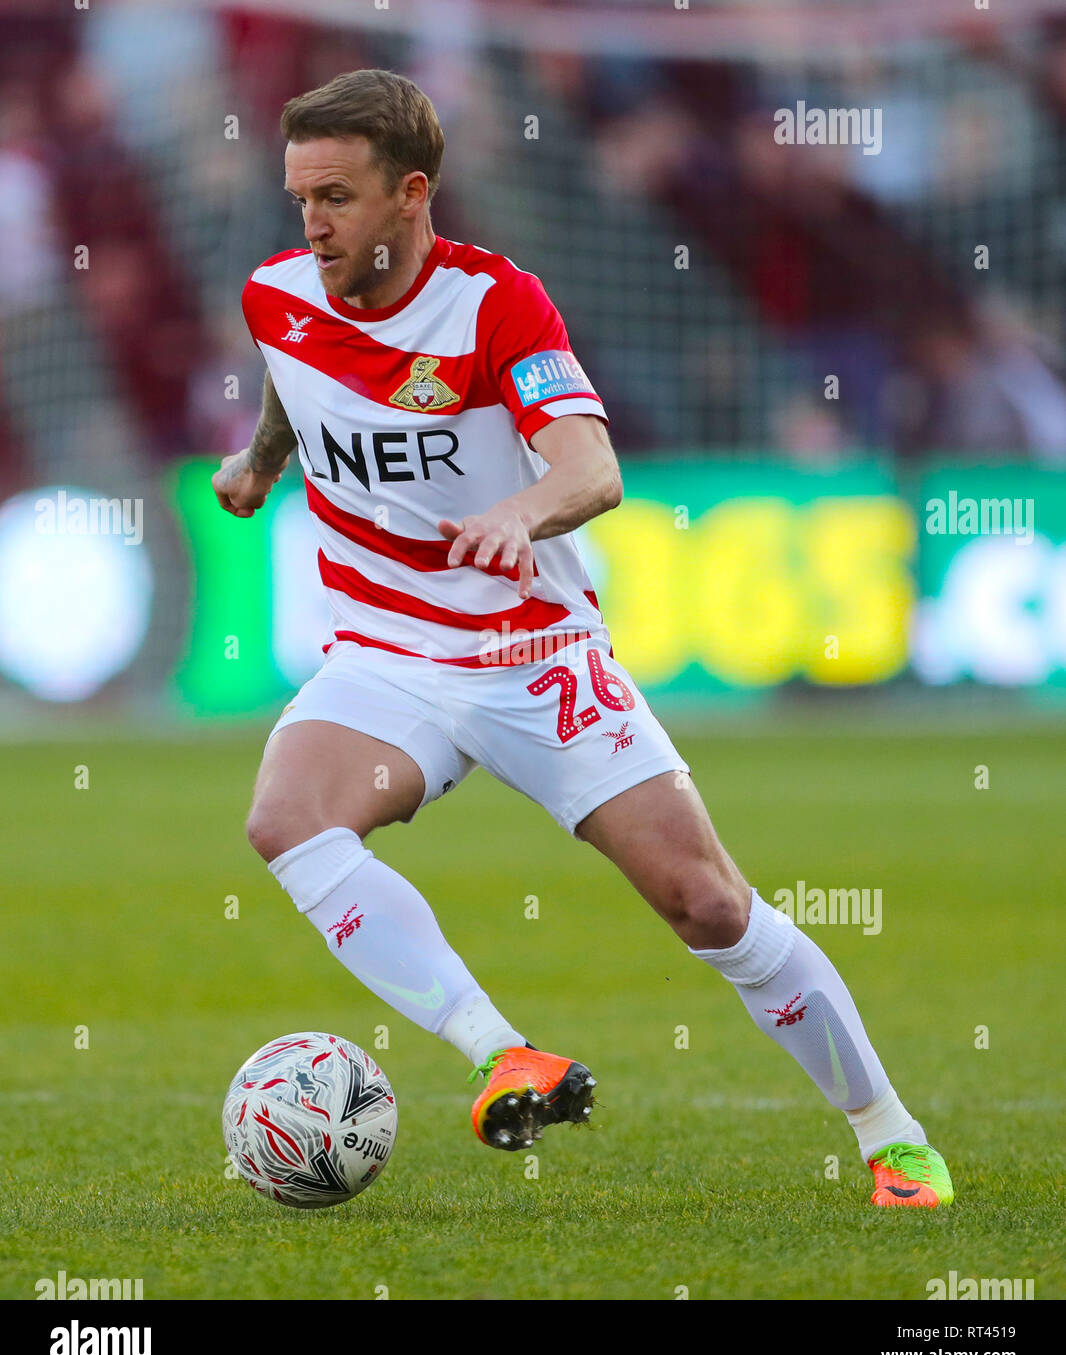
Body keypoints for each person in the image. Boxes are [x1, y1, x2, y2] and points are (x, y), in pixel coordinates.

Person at [212, 69, 952, 1207]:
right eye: (299, 196)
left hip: (532, 655)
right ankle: (501, 1050)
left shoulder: (495, 304)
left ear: (412, 194)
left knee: (706, 902)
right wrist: (261, 464)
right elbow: (291, 378)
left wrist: (518, 512)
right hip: (386, 655)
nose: (311, 223)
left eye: (338, 198)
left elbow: (591, 467)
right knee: (287, 820)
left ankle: (887, 1130)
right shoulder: (278, 291)